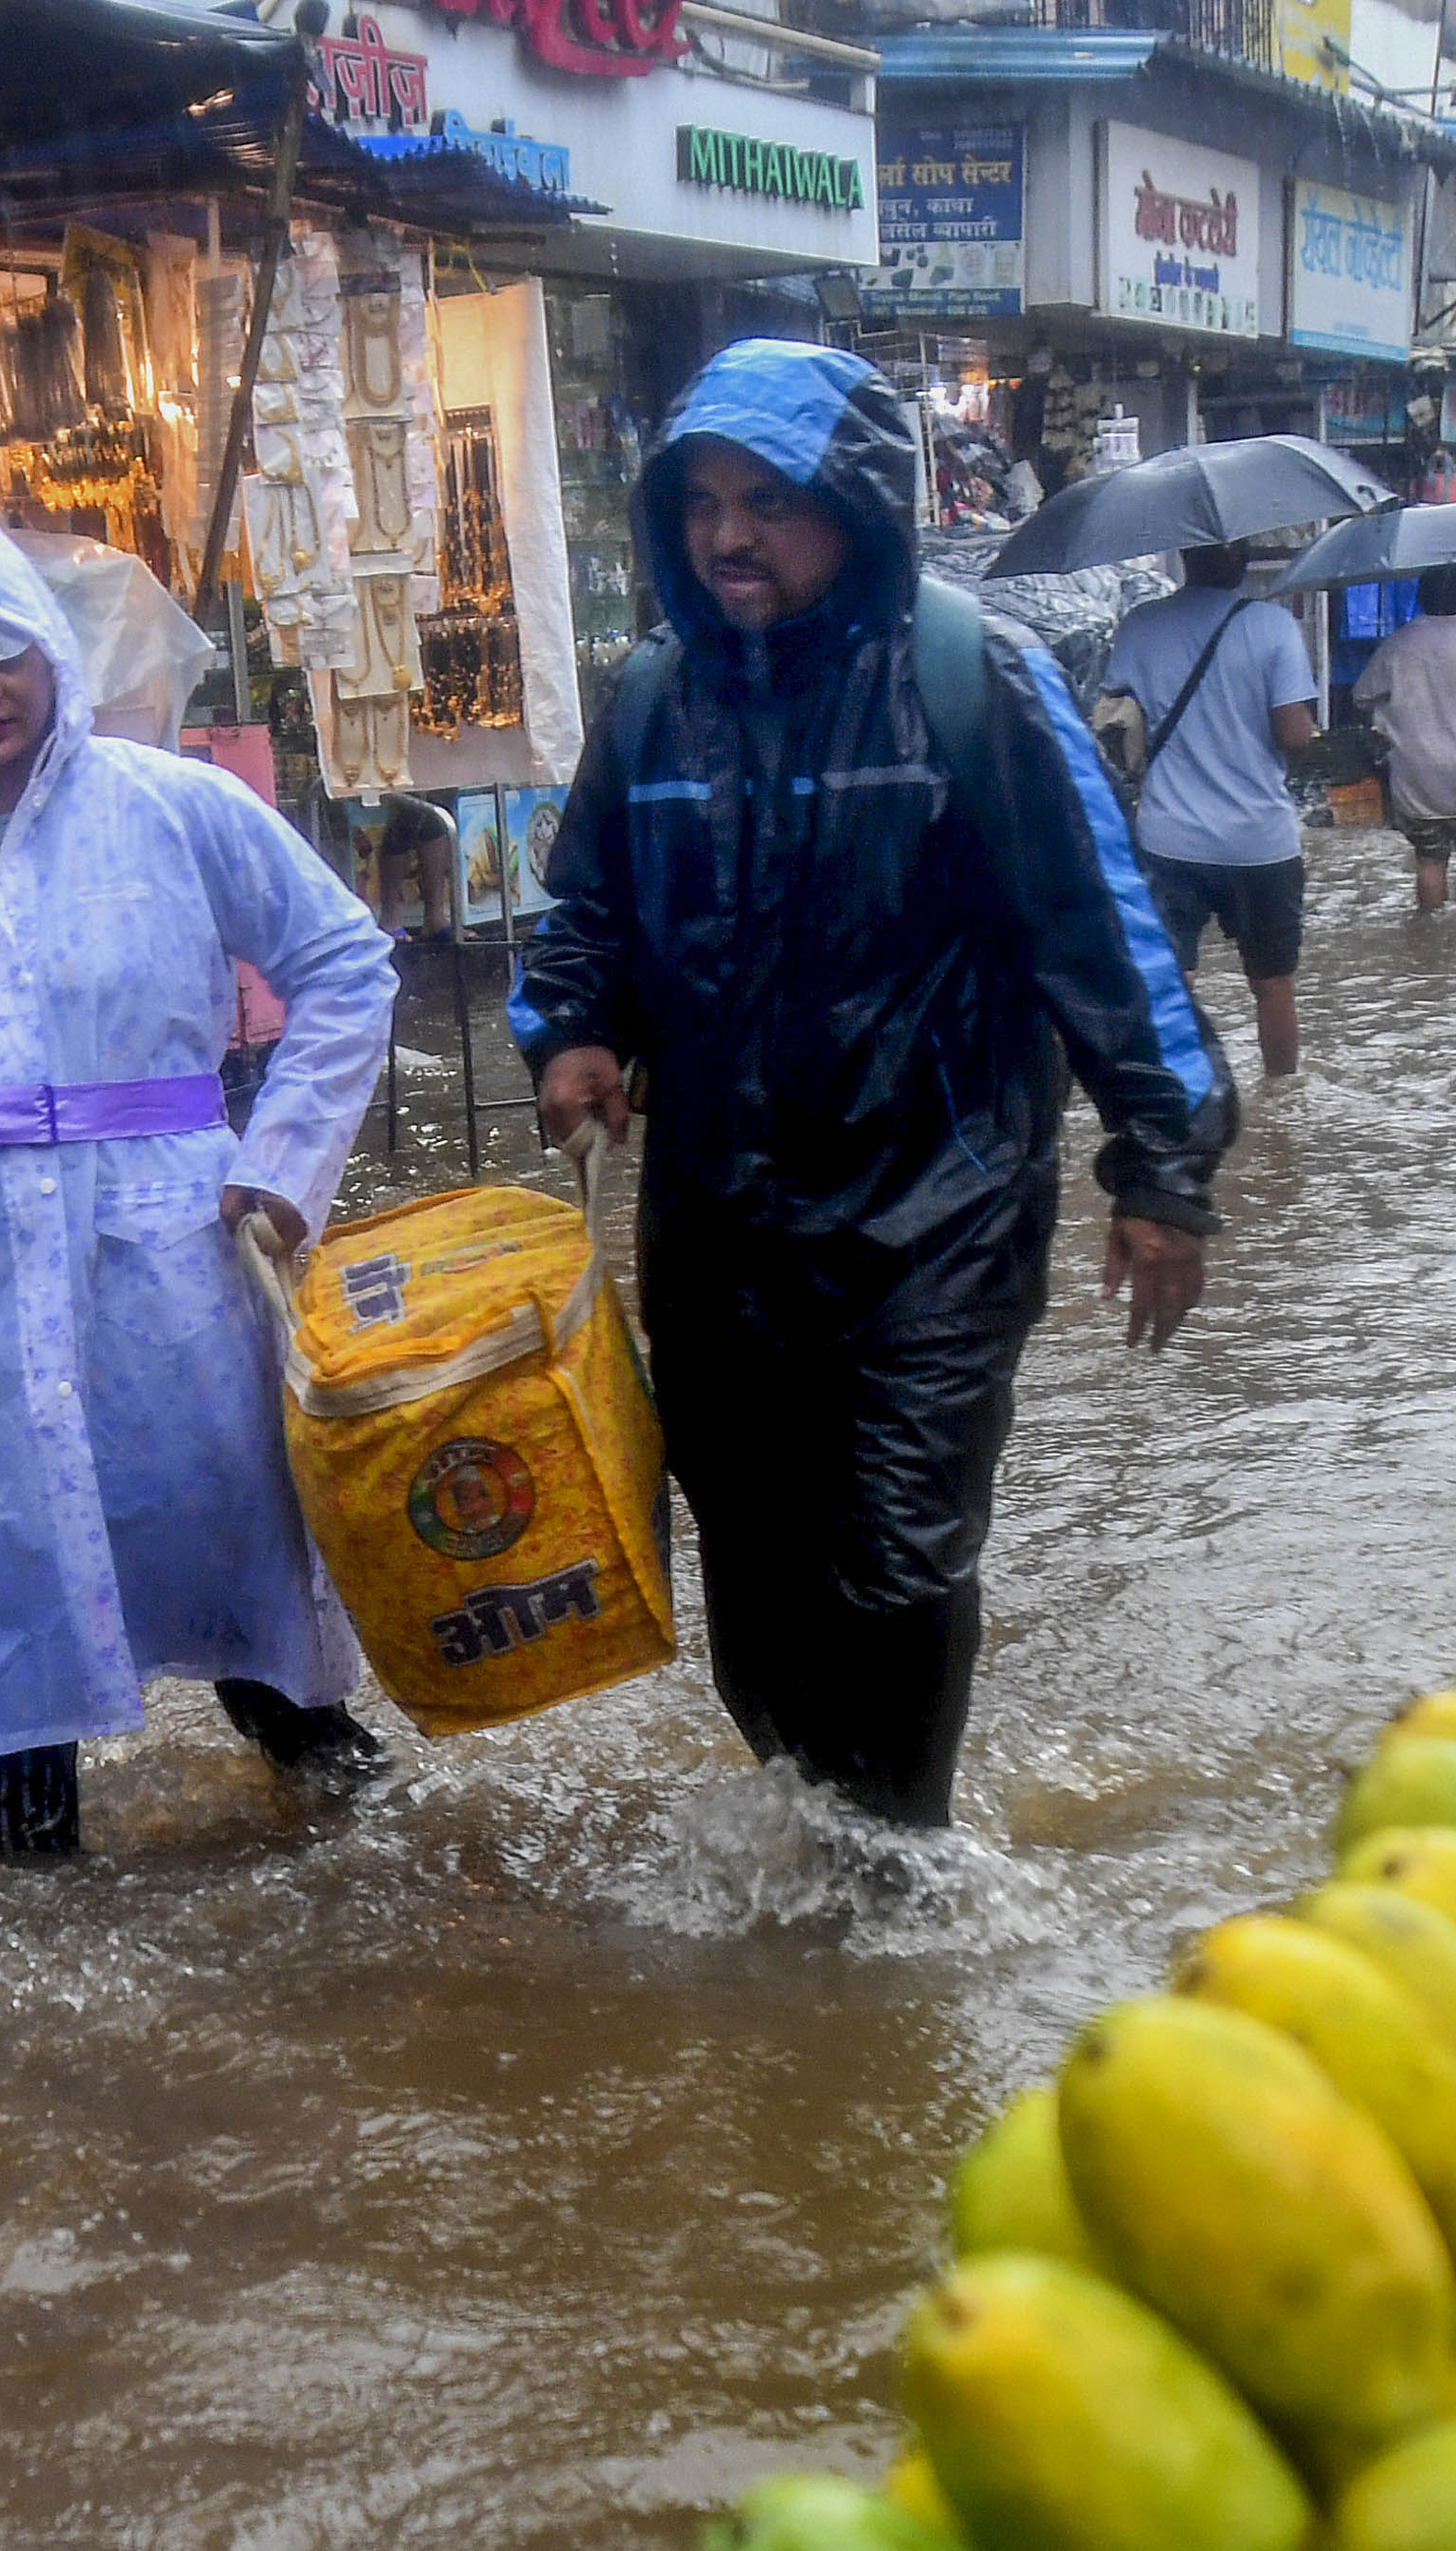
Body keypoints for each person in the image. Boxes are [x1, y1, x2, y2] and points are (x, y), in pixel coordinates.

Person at [510, 342, 1227, 1833]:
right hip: (716, 1228)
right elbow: (585, 908)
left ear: (855, 505)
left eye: (768, 501)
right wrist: (572, 1029)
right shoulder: (652, 697)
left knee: (896, 1561)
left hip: (937, 1222)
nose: (727, 537)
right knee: (751, 1569)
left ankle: (898, 1871)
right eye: (703, 503)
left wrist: (1162, 1171)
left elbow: (1110, 943)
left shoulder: (975, 682)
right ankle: (815, 1831)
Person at [0, 508, 398, 1861]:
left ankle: (381, 1887)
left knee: (257, 1620)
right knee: (7, 1637)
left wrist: (285, 1169)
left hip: (170, 1275)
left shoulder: (174, 805)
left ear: (49, 647)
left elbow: (348, 965)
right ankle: (30, 1998)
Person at [1101, 543, 1325, 1075]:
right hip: (1260, 842)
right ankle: (1280, 1106)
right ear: (1242, 555)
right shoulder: (1273, 626)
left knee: (1172, 981)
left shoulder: (1141, 624)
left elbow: (1114, 717)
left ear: (1184, 553)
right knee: (1272, 986)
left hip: (1169, 838)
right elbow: (1294, 736)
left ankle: (1186, 1096)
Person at [1357, 568, 1456, 914]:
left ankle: (1432, 923)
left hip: (1416, 774)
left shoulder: (1398, 643)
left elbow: (1363, 695)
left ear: (1421, 597)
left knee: (1430, 857)